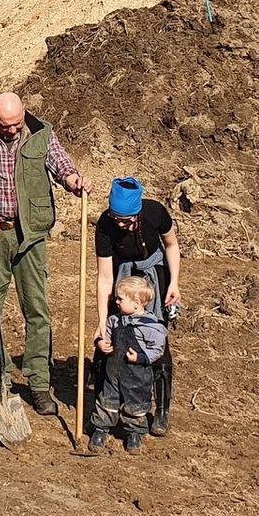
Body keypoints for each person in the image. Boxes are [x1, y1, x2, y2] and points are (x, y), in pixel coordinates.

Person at [0, 91, 85, 416]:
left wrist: (73, 178)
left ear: (24, 111)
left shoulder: (41, 133)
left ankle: (39, 383)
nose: (11, 130)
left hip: (31, 235)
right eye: (5, 125)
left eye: (16, 123)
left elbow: (61, 163)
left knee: (37, 310)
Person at [93, 175, 183, 437]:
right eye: (116, 218)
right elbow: (105, 277)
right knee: (109, 337)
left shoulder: (155, 212)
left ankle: (161, 411)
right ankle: (103, 407)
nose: (120, 224)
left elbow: (171, 244)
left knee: (156, 338)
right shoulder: (105, 226)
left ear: (137, 213)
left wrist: (174, 283)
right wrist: (101, 320)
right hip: (122, 279)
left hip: (155, 276)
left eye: (126, 220)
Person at [89, 274, 168, 453]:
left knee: (136, 403)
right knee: (107, 400)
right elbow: (104, 334)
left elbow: (157, 349)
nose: (116, 301)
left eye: (120, 298)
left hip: (137, 375)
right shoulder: (114, 320)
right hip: (113, 371)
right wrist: (101, 343)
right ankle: (100, 429)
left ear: (137, 302)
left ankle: (134, 433)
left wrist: (141, 357)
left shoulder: (151, 326)